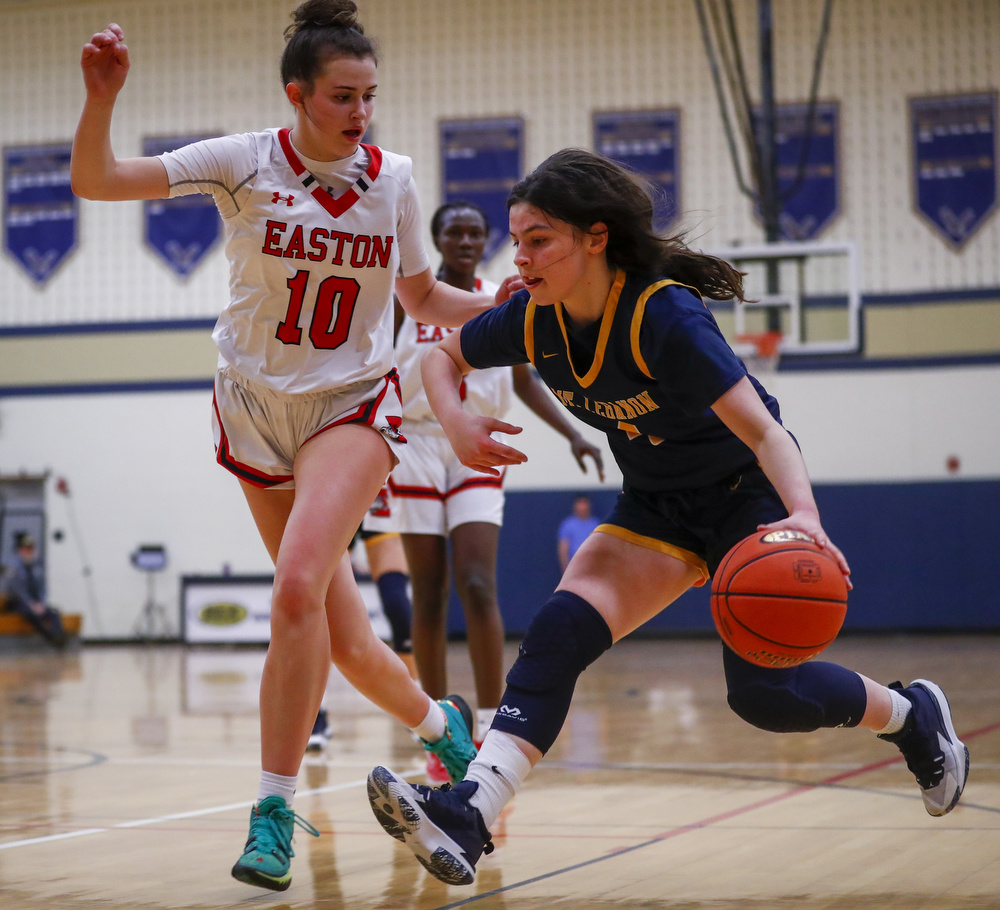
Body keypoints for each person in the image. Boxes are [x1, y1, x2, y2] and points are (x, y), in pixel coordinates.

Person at [366, 148, 970, 885]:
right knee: (557, 632)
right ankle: (469, 813)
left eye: (539, 240)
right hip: (657, 506)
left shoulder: (665, 316)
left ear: (596, 238)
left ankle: (911, 715)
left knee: (764, 697)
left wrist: (805, 516)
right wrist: (458, 422)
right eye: (516, 241)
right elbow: (440, 359)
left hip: (746, 497)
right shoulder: (534, 317)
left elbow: (766, 433)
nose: (518, 258)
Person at [71, 2, 521, 892]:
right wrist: (101, 99)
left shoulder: (394, 180)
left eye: (369, 96)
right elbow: (97, 179)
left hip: (348, 408)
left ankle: (273, 811)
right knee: (344, 639)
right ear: (298, 95)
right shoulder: (241, 161)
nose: (361, 112)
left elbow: (422, 300)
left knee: (292, 590)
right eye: (343, 96)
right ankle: (444, 728)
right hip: (251, 408)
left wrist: (503, 306)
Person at [390, 200, 605, 783]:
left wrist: (573, 433)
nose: (464, 241)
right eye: (453, 232)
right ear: (436, 238)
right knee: (427, 593)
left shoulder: (505, 297)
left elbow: (523, 381)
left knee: (478, 582)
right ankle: (439, 730)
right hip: (415, 442)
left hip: (478, 442)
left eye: (474, 233)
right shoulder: (408, 299)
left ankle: (489, 726)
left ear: (486, 241)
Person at [308, 497, 418, 751]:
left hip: (377, 491)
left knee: (397, 603)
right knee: (322, 600)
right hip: (335, 491)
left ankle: (417, 701)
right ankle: (314, 713)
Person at [1, 533, 67, 648]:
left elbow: (42, 587)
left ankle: (59, 636)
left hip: (36, 603)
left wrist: (42, 603)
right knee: (31, 613)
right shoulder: (13, 566)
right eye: (25, 549)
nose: (28, 552)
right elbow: (18, 590)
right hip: (17, 602)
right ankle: (51, 637)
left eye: (30, 549)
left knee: (53, 613)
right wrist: (31, 604)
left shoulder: (37, 566)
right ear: (20, 550)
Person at [557, 494, 600, 572]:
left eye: (584, 503)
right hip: (574, 567)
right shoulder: (568, 524)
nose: (582, 507)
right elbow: (563, 548)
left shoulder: (595, 524)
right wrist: (565, 569)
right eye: (579, 503)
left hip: (592, 566)